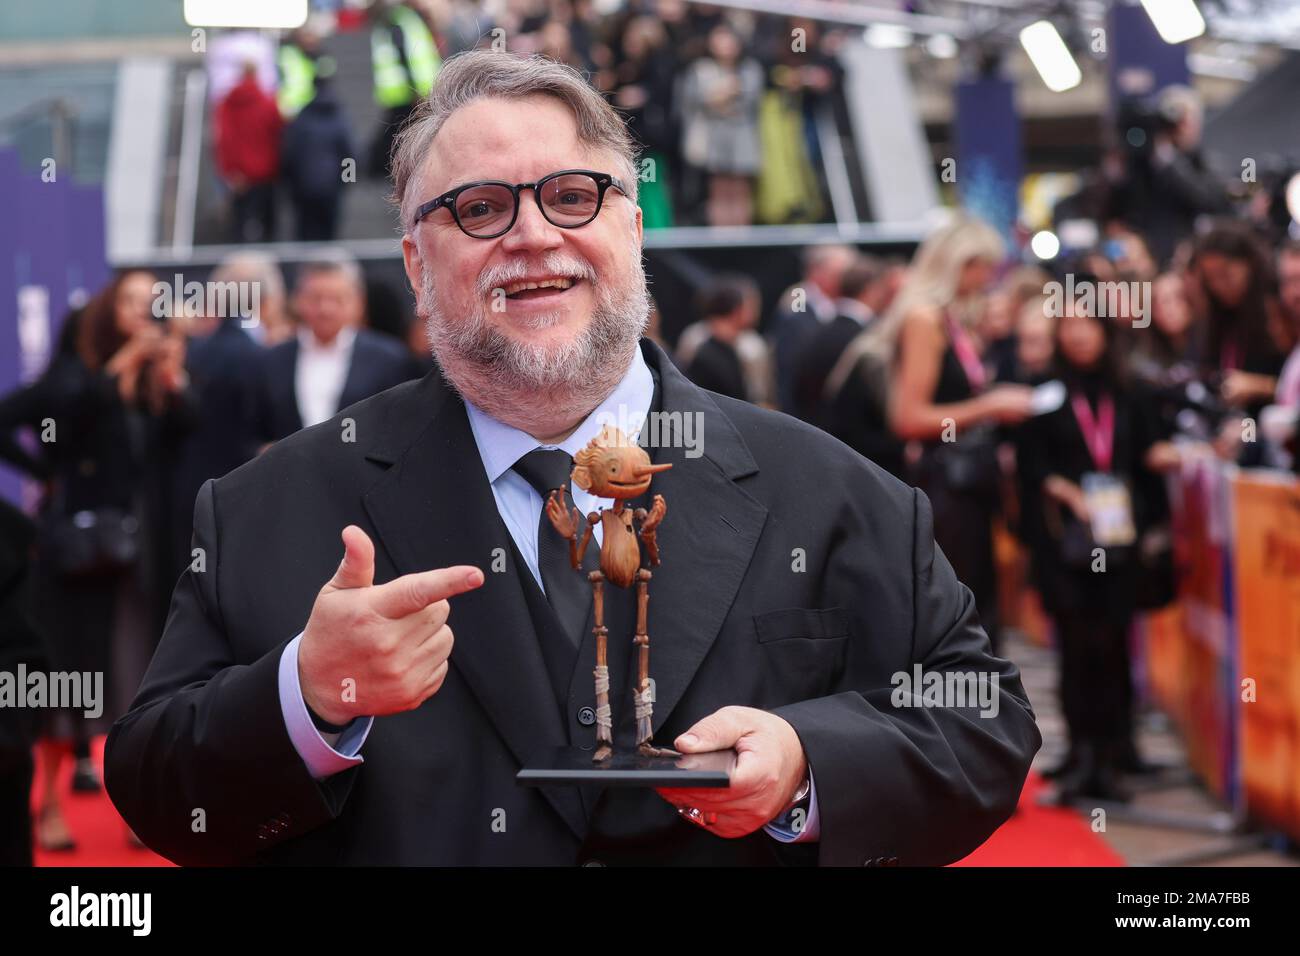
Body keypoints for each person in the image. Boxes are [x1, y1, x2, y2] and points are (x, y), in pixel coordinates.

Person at [105, 51, 1039, 867]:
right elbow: (154, 782)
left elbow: (982, 723)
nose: (532, 235)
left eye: (571, 194)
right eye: (478, 208)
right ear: (416, 267)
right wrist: (308, 697)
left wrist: (806, 761)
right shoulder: (268, 508)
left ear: (632, 225)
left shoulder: (829, 490)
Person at [0, 273, 194, 851]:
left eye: (150, 304)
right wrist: (47, 478)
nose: (144, 314)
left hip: (140, 550)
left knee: (138, 680)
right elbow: (60, 419)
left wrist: (170, 377)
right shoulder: (74, 378)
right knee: (66, 685)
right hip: (75, 555)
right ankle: (52, 805)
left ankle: (137, 805)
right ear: (110, 313)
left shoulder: (144, 378)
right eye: (133, 303)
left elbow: (188, 429)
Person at [1015, 296, 1178, 802]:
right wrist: (1065, 492)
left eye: (1088, 324)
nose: (1079, 334)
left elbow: (1151, 456)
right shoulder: (1046, 397)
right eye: (1069, 326)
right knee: (1075, 649)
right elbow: (1028, 470)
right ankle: (1081, 754)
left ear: (1107, 331)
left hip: (1120, 545)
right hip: (1064, 547)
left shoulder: (1132, 393)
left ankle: (1112, 755)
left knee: (1112, 646)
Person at [848, 215, 1035, 654]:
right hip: (946, 490)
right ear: (960, 263)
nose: (989, 279)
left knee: (977, 612)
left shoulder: (949, 319)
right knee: (961, 617)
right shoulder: (924, 319)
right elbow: (909, 418)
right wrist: (990, 405)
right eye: (984, 267)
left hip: (965, 488)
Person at [254, 254, 423, 442]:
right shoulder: (272, 359)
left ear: (358, 303)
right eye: (316, 298)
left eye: (336, 299)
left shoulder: (390, 359)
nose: (325, 309)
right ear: (298, 300)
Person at [677, 22, 764, 227]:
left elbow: (750, 100)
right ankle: (721, 237)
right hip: (713, 138)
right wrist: (724, 94)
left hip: (742, 137)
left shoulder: (750, 69)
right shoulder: (701, 69)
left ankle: (741, 237)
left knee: (740, 188)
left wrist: (719, 96)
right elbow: (694, 100)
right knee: (718, 188)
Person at [792, 254, 887, 429]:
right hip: (854, 442)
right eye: (883, 289)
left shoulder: (821, 329)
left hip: (820, 434)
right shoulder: (867, 337)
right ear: (871, 289)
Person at [281, 73, 356, 241]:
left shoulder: (302, 118)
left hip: (304, 186)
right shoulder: (339, 117)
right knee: (328, 234)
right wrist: (347, 181)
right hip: (331, 187)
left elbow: (290, 153)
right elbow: (349, 153)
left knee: (305, 233)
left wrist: (290, 182)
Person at [214, 62, 283, 243]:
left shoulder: (227, 104)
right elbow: (278, 135)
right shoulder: (268, 102)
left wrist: (230, 171)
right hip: (266, 173)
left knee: (239, 226)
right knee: (268, 225)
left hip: (240, 177)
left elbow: (224, 140)